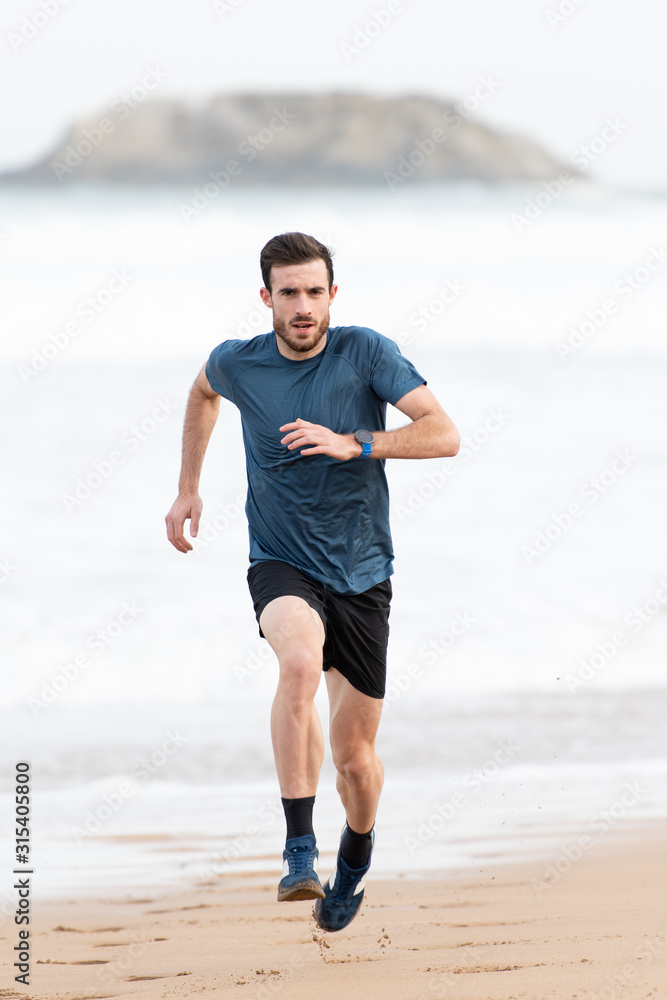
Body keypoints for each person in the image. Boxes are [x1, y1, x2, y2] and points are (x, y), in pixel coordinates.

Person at [165, 232, 459, 932]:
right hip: (280, 559)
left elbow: (443, 433)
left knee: (356, 762)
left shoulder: (366, 354)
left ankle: (355, 855)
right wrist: (187, 489)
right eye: (288, 292)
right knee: (296, 661)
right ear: (266, 297)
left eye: (314, 291)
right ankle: (300, 849)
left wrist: (354, 441)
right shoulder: (238, 363)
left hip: (362, 570)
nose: (302, 306)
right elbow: (202, 392)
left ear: (333, 295)